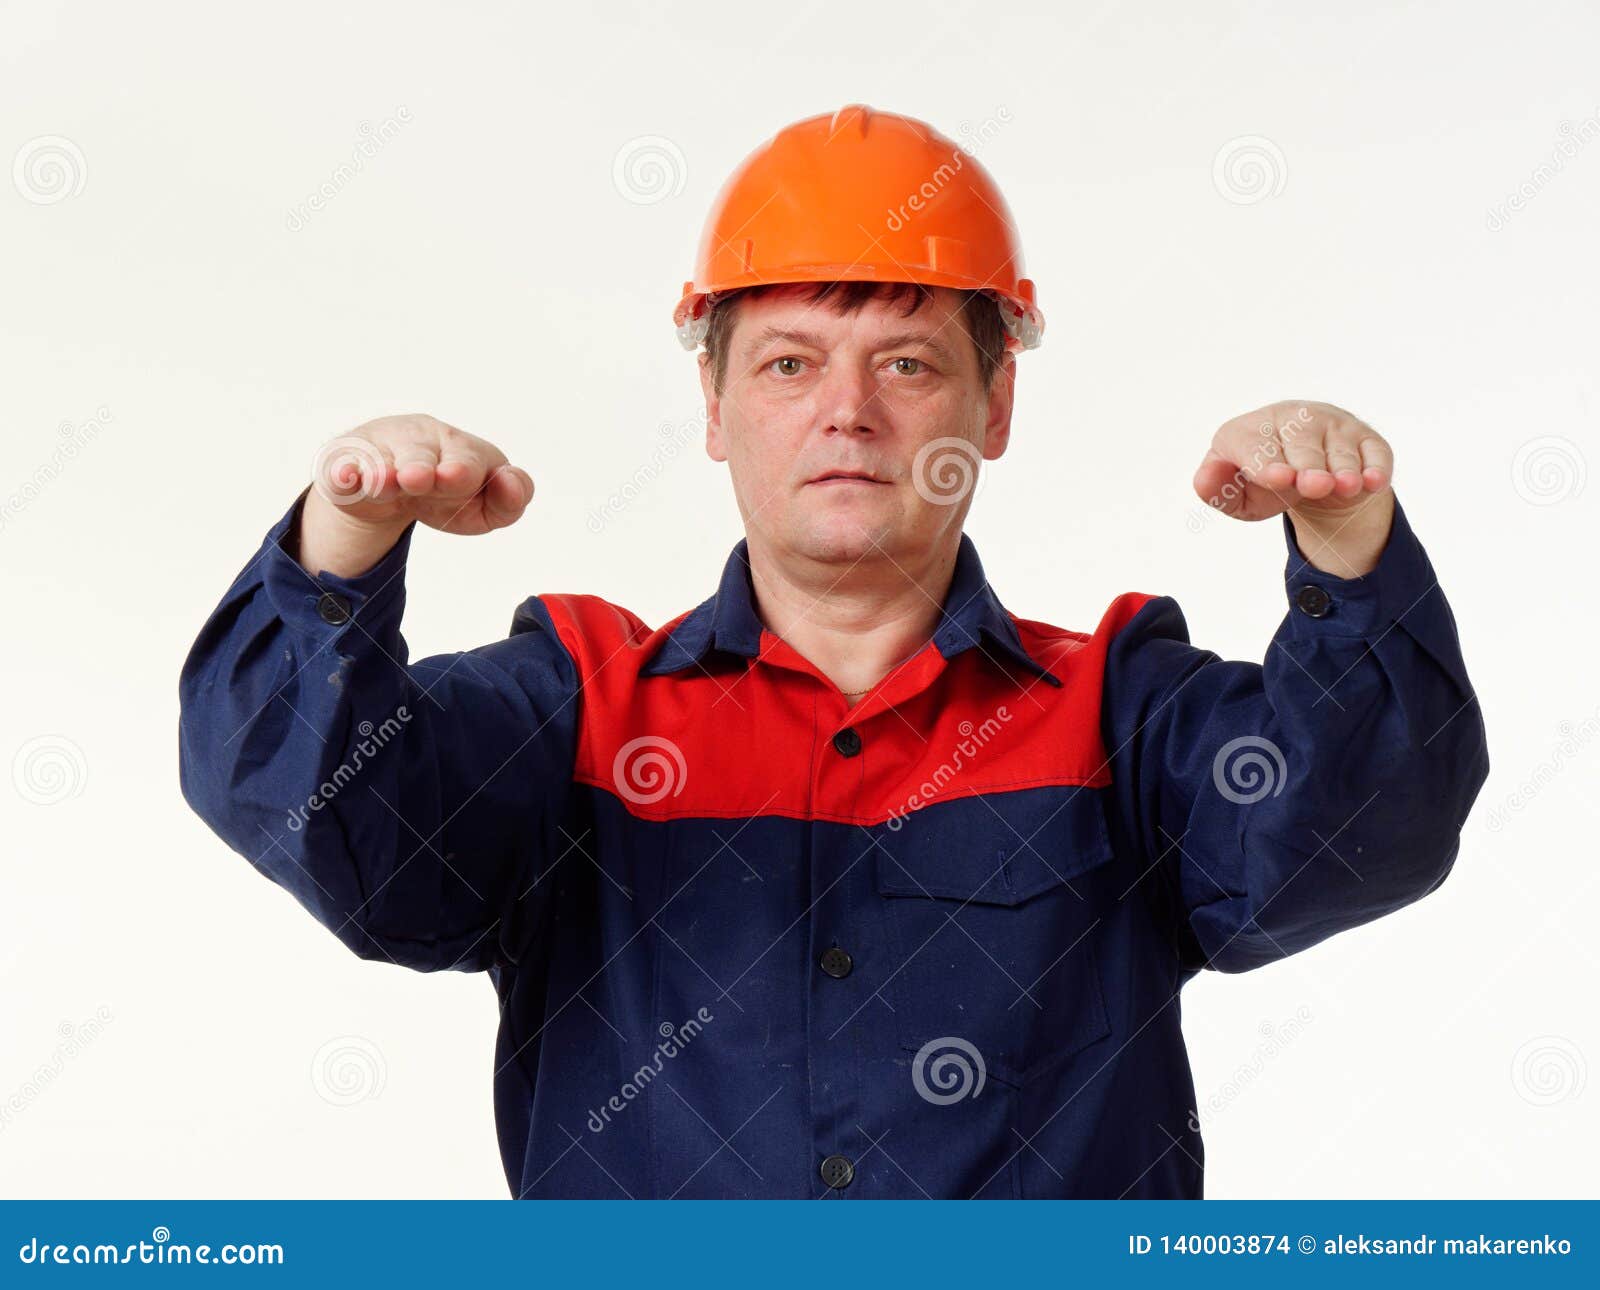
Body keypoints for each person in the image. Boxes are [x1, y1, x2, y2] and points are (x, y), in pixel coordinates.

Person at [177, 104, 1489, 1198]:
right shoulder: (576, 710)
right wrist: (345, 545)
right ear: (713, 404)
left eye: (908, 364)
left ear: (996, 401)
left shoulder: (1116, 712)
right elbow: (337, 836)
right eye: (790, 363)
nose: (849, 412)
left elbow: (1359, 833)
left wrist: (1346, 545)